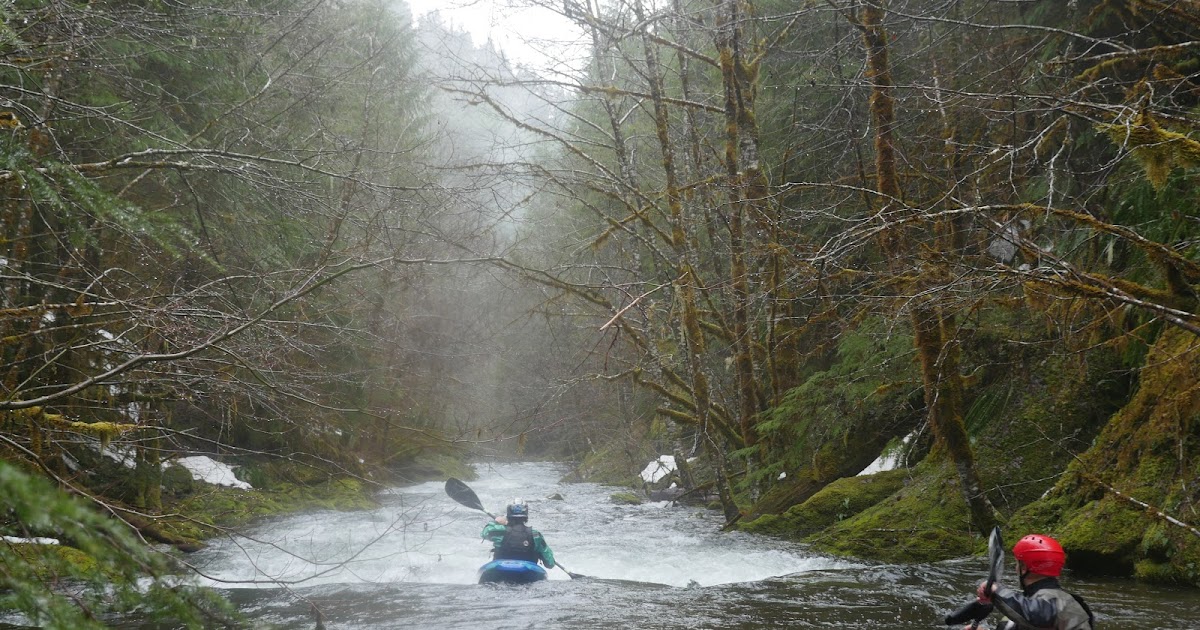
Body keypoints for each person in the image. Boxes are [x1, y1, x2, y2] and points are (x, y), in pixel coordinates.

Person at [964, 533, 1095, 630]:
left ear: (1024, 568)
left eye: (1017, 564)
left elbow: (1035, 614)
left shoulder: (1060, 603)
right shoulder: (1031, 602)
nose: (1015, 568)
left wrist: (995, 590)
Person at [480, 498, 556, 569]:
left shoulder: (499, 531)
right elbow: (550, 563)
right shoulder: (535, 535)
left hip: (501, 570)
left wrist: (496, 522)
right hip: (528, 573)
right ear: (526, 515)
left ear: (508, 514)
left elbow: (484, 533)